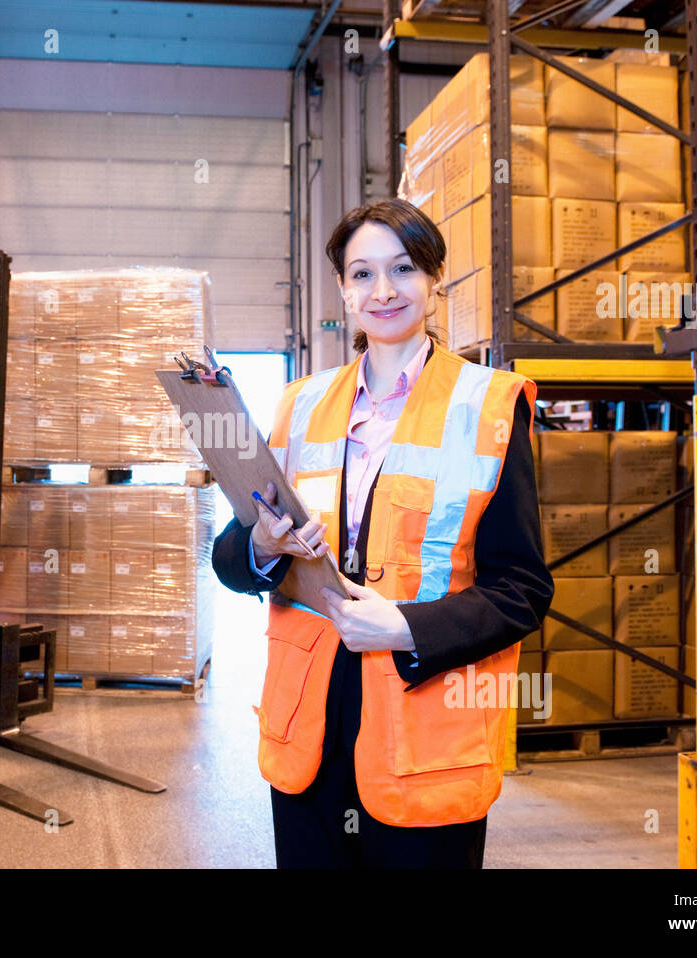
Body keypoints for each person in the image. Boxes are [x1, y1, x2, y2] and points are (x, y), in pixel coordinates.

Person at [212, 198, 553, 869]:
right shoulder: (301, 405)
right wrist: (261, 548)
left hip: (422, 731)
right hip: (312, 732)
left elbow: (522, 590)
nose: (384, 290)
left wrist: (405, 629)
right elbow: (229, 558)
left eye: (403, 269)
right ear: (342, 289)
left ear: (434, 282)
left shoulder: (488, 404)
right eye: (362, 274)